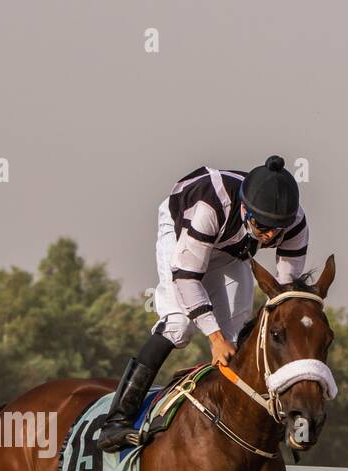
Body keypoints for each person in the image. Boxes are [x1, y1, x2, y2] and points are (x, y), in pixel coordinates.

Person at [96, 155, 309, 451]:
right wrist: (214, 336)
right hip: (183, 230)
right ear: (245, 208)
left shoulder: (296, 223)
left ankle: (240, 427)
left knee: (239, 339)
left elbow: (284, 296)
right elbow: (187, 277)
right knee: (179, 326)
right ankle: (116, 421)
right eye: (263, 227)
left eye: (278, 228)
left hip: (230, 247)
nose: (271, 235)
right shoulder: (209, 207)